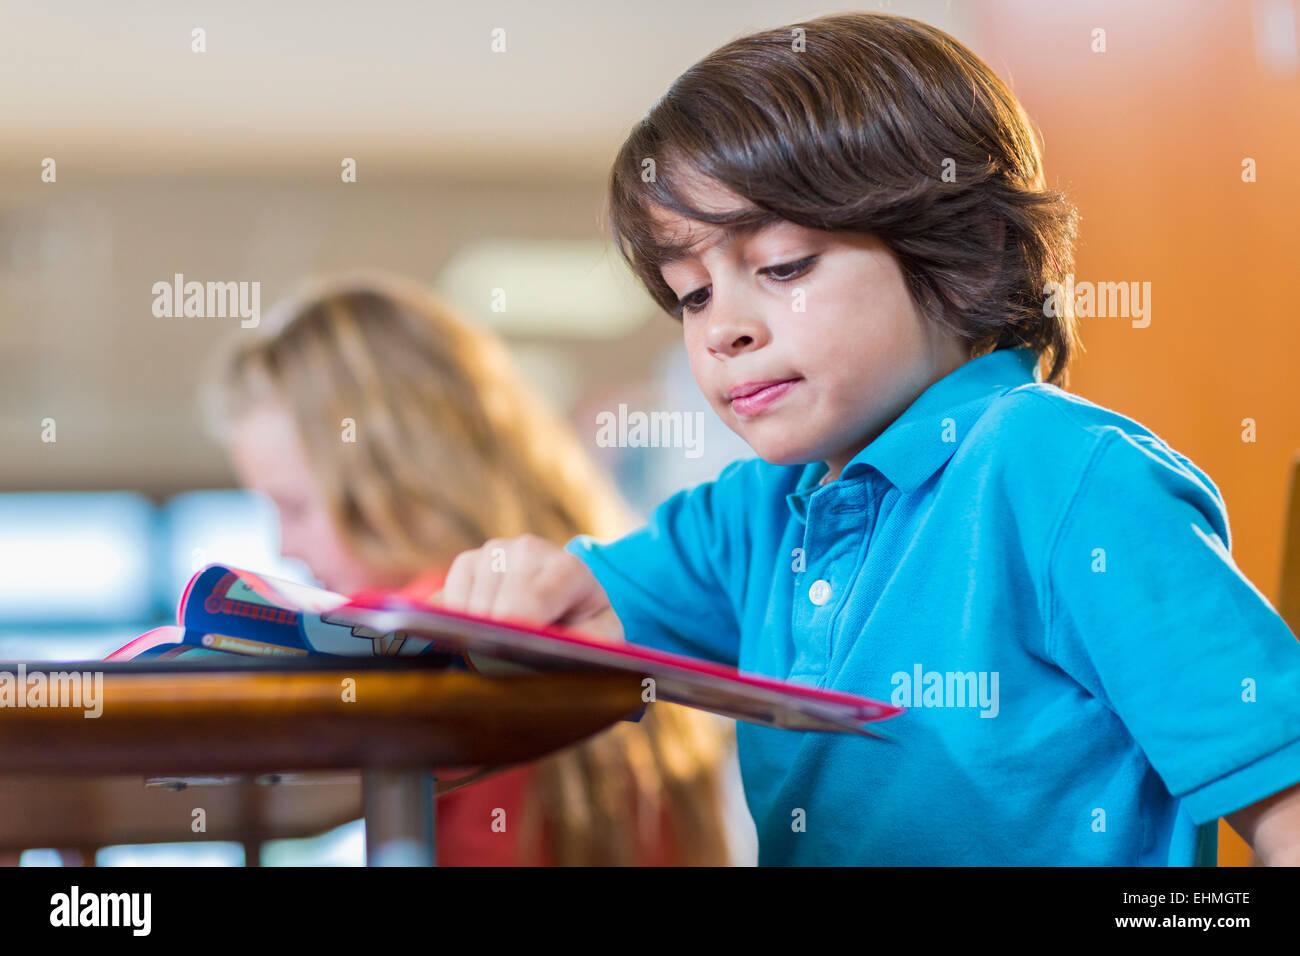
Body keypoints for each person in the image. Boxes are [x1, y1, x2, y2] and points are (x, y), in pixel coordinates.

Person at [432, 11, 1300, 865]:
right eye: (691, 293)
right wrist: (526, 580)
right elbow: (578, 612)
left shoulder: (1066, 474)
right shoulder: (758, 514)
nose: (721, 328)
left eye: (782, 267)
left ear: (969, 253)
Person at [206, 274, 736, 865]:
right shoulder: (609, 588)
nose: (285, 546)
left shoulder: (421, 640)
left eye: (295, 506)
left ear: (394, 480)